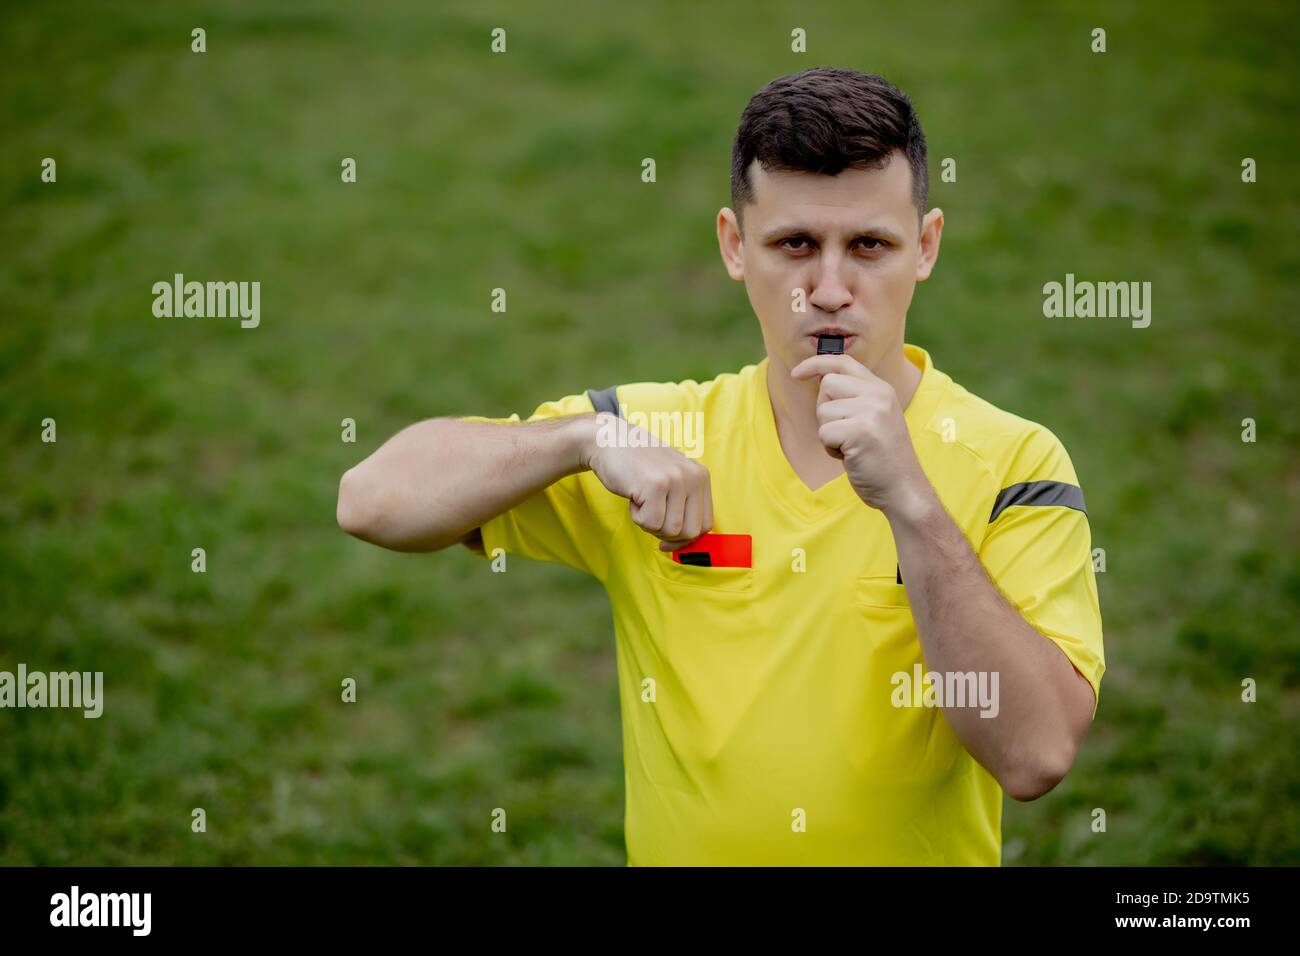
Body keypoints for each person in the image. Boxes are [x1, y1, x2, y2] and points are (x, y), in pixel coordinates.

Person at [337, 67, 1105, 865]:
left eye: (870, 246)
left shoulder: (1015, 459)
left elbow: (1036, 754)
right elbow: (371, 500)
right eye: (795, 245)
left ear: (928, 247)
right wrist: (581, 440)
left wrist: (912, 502)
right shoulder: (656, 436)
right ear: (736, 248)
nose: (830, 290)